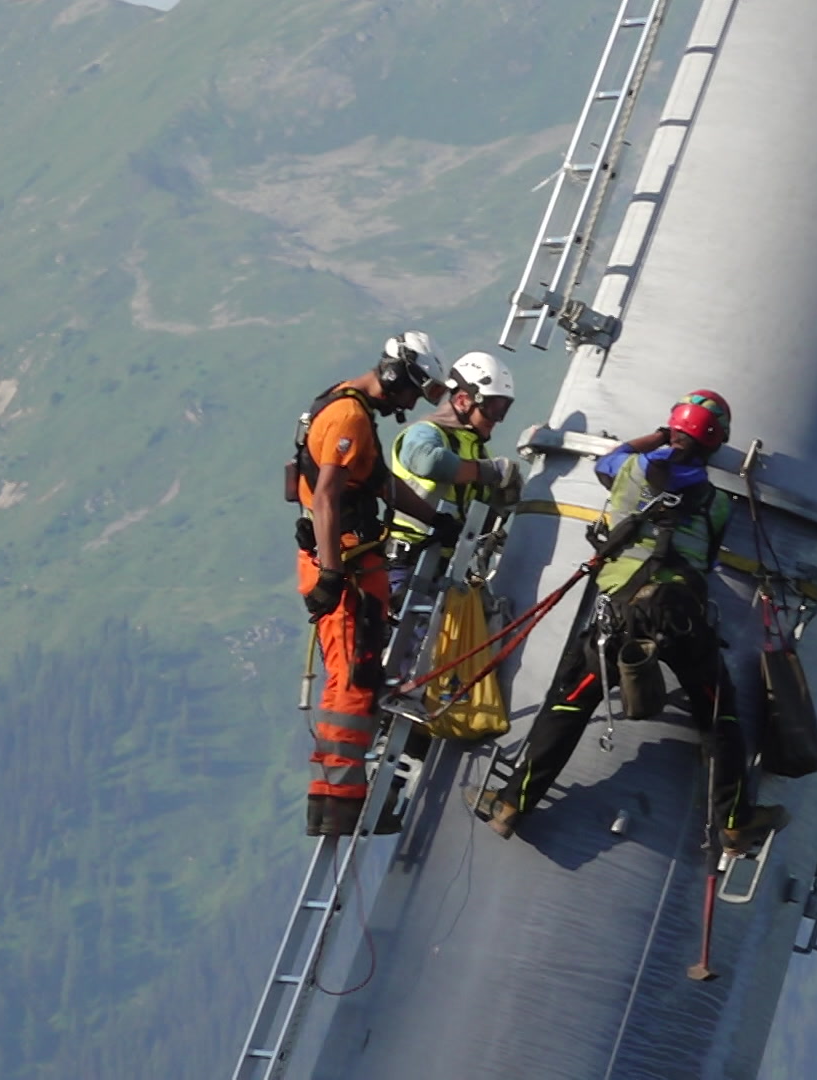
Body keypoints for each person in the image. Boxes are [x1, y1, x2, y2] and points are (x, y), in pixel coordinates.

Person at [468, 390, 787, 855]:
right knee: (720, 713)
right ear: (714, 446)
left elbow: (611, 458)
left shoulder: (630, 471)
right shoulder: (717, 504)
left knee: (570, 704)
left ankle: (512, 802)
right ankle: (734, 822)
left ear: (671, 429)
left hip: (618, 612)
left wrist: (658, 436)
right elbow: (710, 560)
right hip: (680, 615)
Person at [293, 330, 458, 837]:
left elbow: (379, 483)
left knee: (360, 673)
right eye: (413, 390)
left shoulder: (352, 407)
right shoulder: (347, 416)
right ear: (395, 376)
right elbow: (326, 497)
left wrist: (433, 518)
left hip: (356, 563)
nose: (411, 403)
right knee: (350, 681)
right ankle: (340, 805)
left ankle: (339, 800)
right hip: (343, 566)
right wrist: (331, 571)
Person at [384, 350, 523, 598]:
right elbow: (428, 461)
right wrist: (487, 471)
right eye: (491, 407)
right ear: (462, 400)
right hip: (405, 567)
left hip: (444, 572)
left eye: (503, 409)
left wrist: (504, 500)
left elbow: (479, 517)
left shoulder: (477, 449)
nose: (497, 419)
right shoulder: (426, 433)